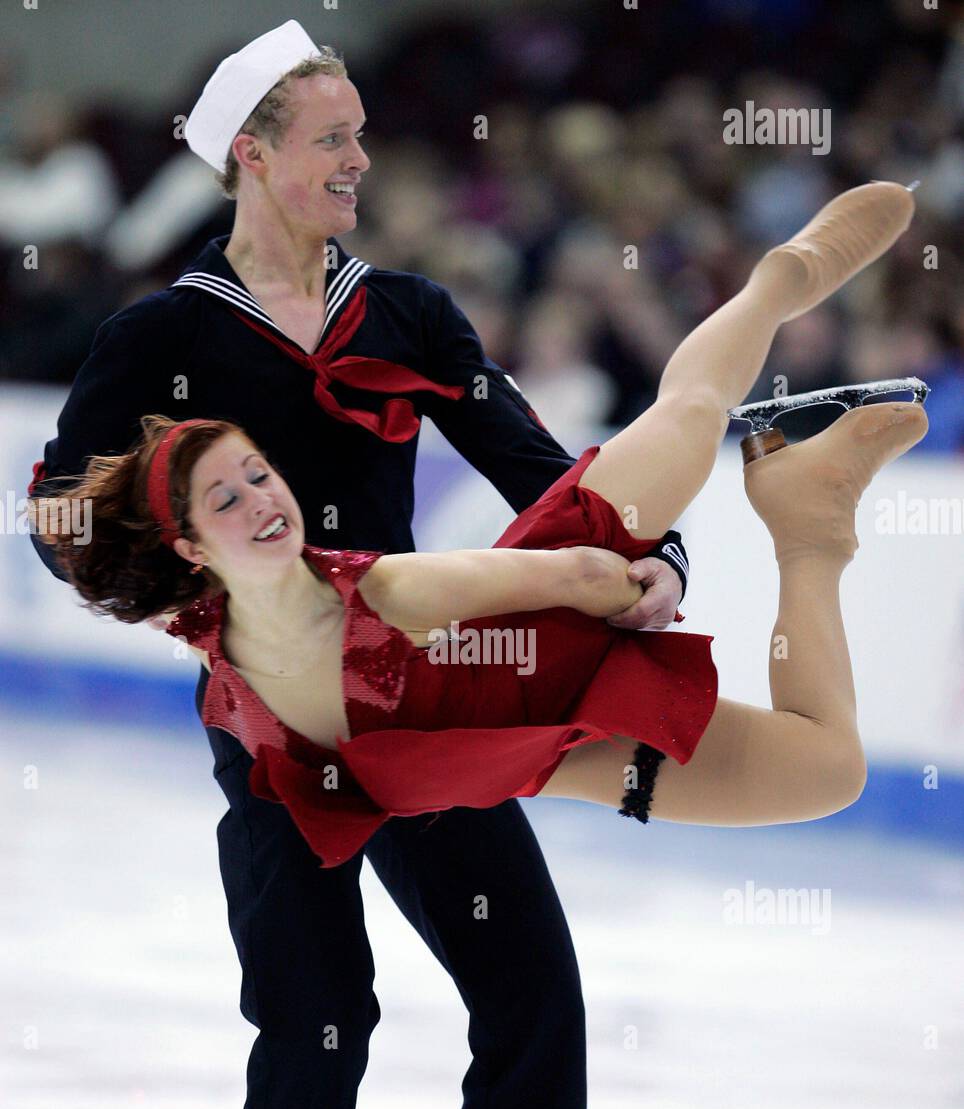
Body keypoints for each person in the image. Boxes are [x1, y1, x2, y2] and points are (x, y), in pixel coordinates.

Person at [26, 21, 690, 1109]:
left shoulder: (409, 314)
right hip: (274, 720)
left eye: (360, 135)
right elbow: (57, 509)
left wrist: (652, 555)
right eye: (333, 137)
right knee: (316, 1019)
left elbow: (545, 474)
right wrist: (161, 583)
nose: (359, 159)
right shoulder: (162, 334)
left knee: (533, 1002)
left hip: (419, 709)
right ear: (255, 157)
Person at [37, 182, 928, 870]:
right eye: (229, 499)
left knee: (693, 410)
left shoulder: (365, 587)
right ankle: (809, 526)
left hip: (555, 607)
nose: (265, 500)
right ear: (189, 546)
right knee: (827, 773)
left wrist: (642, 573)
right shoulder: (219, 647)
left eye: (260, 475)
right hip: (553, 752)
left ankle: (777, 282)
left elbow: (576, 580)